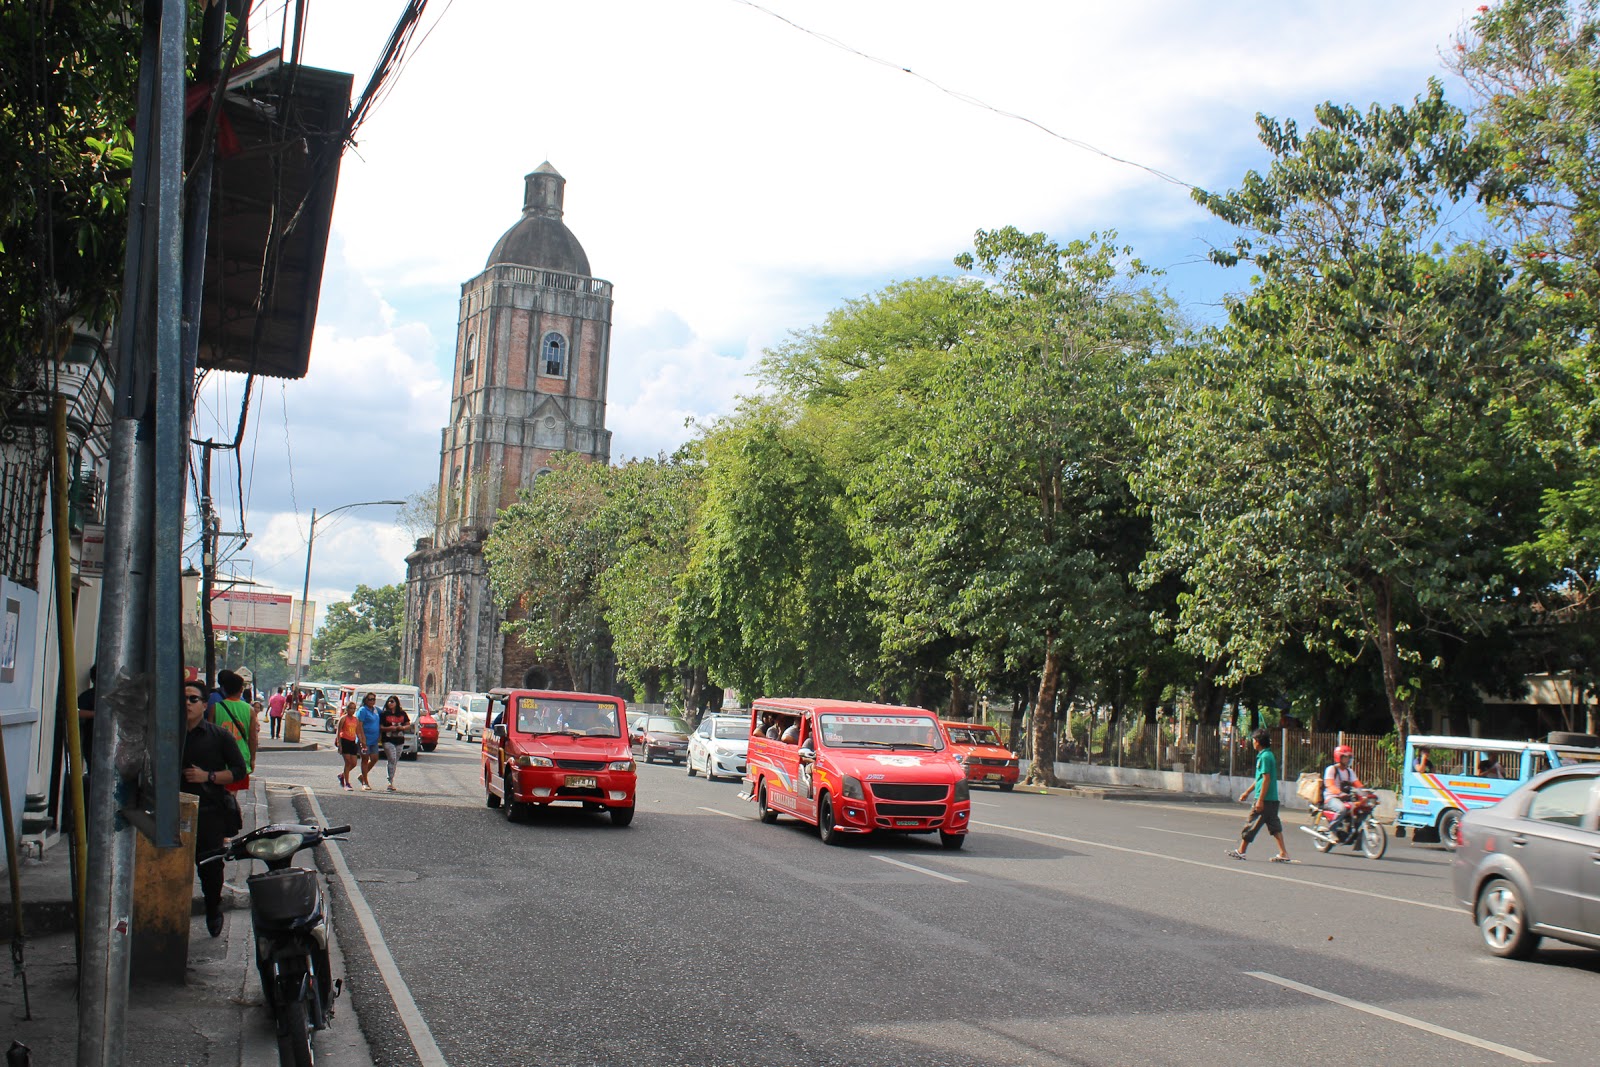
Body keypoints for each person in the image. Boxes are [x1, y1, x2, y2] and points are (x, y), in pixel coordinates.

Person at [182, 678, 246, 937]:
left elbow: (239, 770)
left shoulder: (219, 736)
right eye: (183, 699)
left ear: (204, 704)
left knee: (210, 869)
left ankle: (213, 908)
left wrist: (208, 776)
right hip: (172, 813)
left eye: (193, 699)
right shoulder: (166, 734)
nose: (187, 704)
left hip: (209, 812)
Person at [1227, 728, 1290, 863]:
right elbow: (1260, 779)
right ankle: (1283, 852)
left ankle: (1241, 851)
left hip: (1265, 799)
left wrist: (1260, 800)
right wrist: (1247, 792)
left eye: (1254, 740)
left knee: (1251, 824)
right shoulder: (1267, 755)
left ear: (1258, 742)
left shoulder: (1265, 757)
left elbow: (1266, 779)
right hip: (1272, 799)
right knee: (1274, 826)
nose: (1253, 743)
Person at [211, 669, 258, 793]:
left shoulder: (216, 708)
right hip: (240, 756)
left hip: (218, 757)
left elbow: (209, 733)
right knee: (232, 793)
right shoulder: (249, 710)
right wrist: (253, 758)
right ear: (241, 690)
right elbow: (253, 738)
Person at [1322, 745, 1365, 839]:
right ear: (1339, 757)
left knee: (1359, 808)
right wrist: (1339, 793)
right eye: (1345, 757)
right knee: (1342, 809)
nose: (1348, 760)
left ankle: (1350, 829)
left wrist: (1366, 792)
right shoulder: (1331, 769)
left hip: (1346, 797)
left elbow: (1357, 784)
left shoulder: (1349, 771)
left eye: (1349, 757)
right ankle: (1331, 830)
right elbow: (1329, 785)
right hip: (1331, 798)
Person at [378, 696, 410, 792]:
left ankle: (391, 780)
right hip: (387, 739)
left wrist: (403, 728)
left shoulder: (402, 713)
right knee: (392, 757)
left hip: (399, 740)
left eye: (392, 701)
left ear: (396, 702)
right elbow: (381, 727)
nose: (390, 703)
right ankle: (389, 782)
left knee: (395, 760)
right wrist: (389, 728)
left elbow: (408, 724)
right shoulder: (384, 714)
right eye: (388, 702)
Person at [335, 702, 365, 790]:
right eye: (350, 708)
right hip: (344, 741)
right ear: (347, 709)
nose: (352, 710)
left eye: (354, 709)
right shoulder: (343, 718)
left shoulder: (356, 720)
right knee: (347, 762)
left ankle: (342, 775)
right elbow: (338, 731)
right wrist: (339, 744)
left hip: (352, 742)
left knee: (354, 763)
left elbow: (358, 731)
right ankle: (347, 783)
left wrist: (361, 741)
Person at [356, 693, 382, 790]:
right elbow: (359, 726)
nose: (372, 701)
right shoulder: (362, 710)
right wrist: (362, 740)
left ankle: (362, 775)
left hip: (374, 740)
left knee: (374, 758)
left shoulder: (375, 710)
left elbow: (384, 714)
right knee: (365, 759)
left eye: (374, 699)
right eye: (370, 699)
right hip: (365, 739)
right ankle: (365, 782)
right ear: (365, 700)